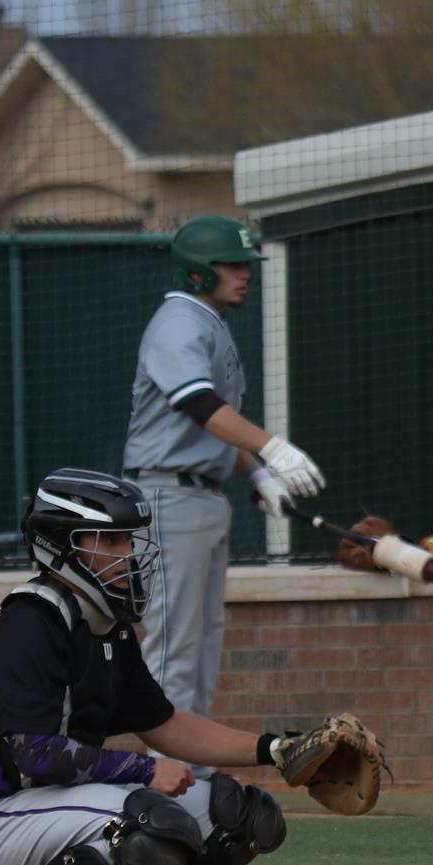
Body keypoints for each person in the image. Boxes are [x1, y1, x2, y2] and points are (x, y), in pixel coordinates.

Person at [0, 470, 295, 865]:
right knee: (152, 826)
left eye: (126, 539)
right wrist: (142, 770)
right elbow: (34, 755)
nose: (125, 553)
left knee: (240, 816)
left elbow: (166, 724)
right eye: (107, 539)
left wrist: (278, 749)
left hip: (55, 812)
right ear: (61, 546)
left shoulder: (106, 626)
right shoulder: (29, 623)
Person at [123, 215, 324, 718]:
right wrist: (273, 448)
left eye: (245, 263)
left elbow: (212, 423)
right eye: (232, 264)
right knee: (174, 646)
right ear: (197, 271)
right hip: (168, 497)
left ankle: (192, 770)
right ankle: (165, 775)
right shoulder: (178, 321)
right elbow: (197, 404)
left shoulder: (208, 322)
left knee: (203, 645)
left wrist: (255, 473)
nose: (245, 272)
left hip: (199, 497)